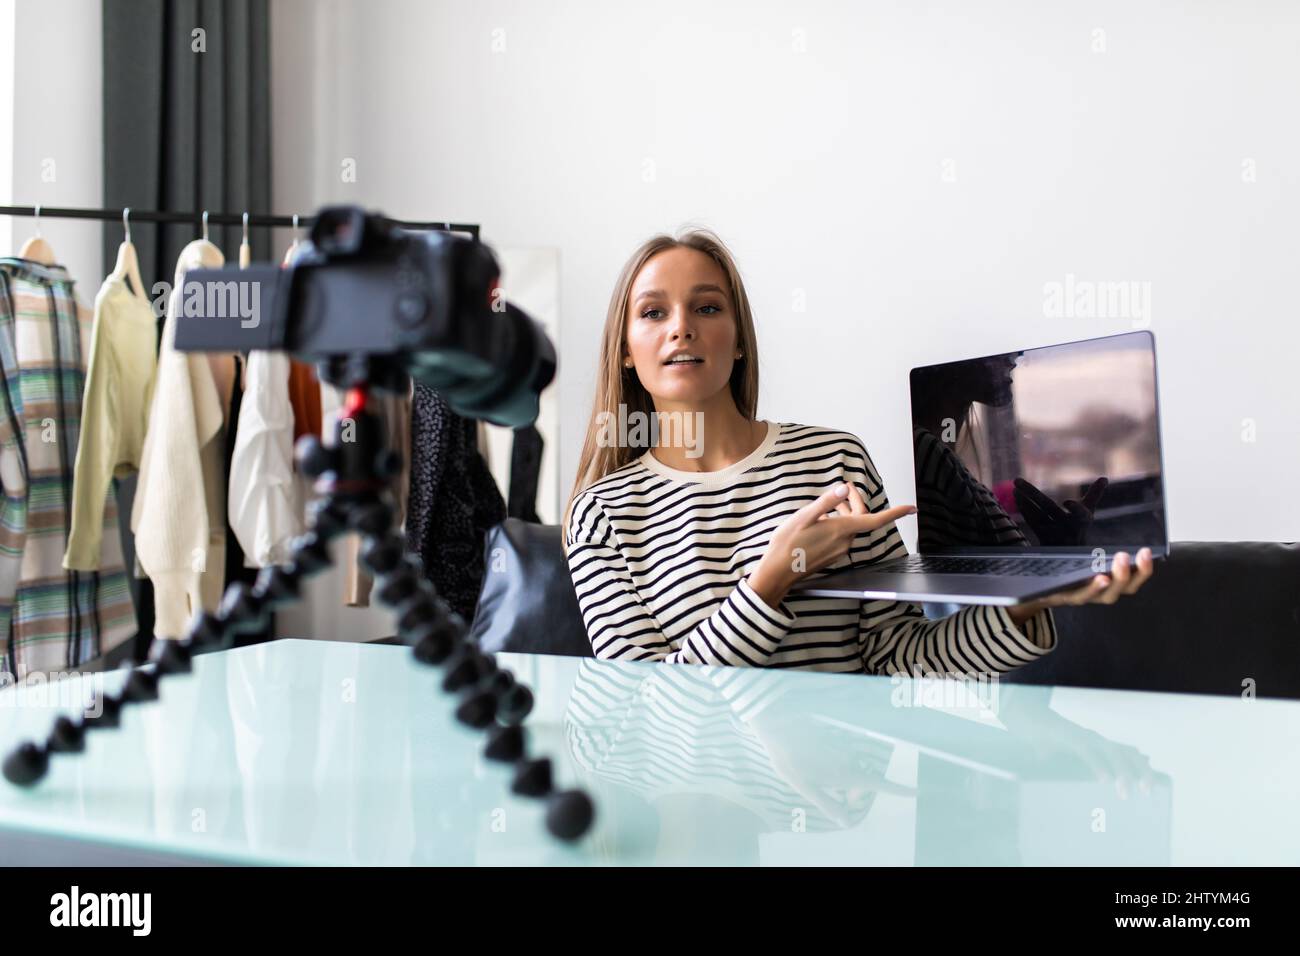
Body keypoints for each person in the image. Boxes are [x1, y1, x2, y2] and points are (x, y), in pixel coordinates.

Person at [563, 229, 1154, 675]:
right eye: (653, 312)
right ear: (624, 350)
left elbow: (896, 656)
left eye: (708, 307)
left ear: (739, 341)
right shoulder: (601, 514)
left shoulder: (835, 461)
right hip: (695, 820)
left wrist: (1029, 605)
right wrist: (770, 580)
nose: (681, 327)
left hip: (841, 814)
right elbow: (639, 712)